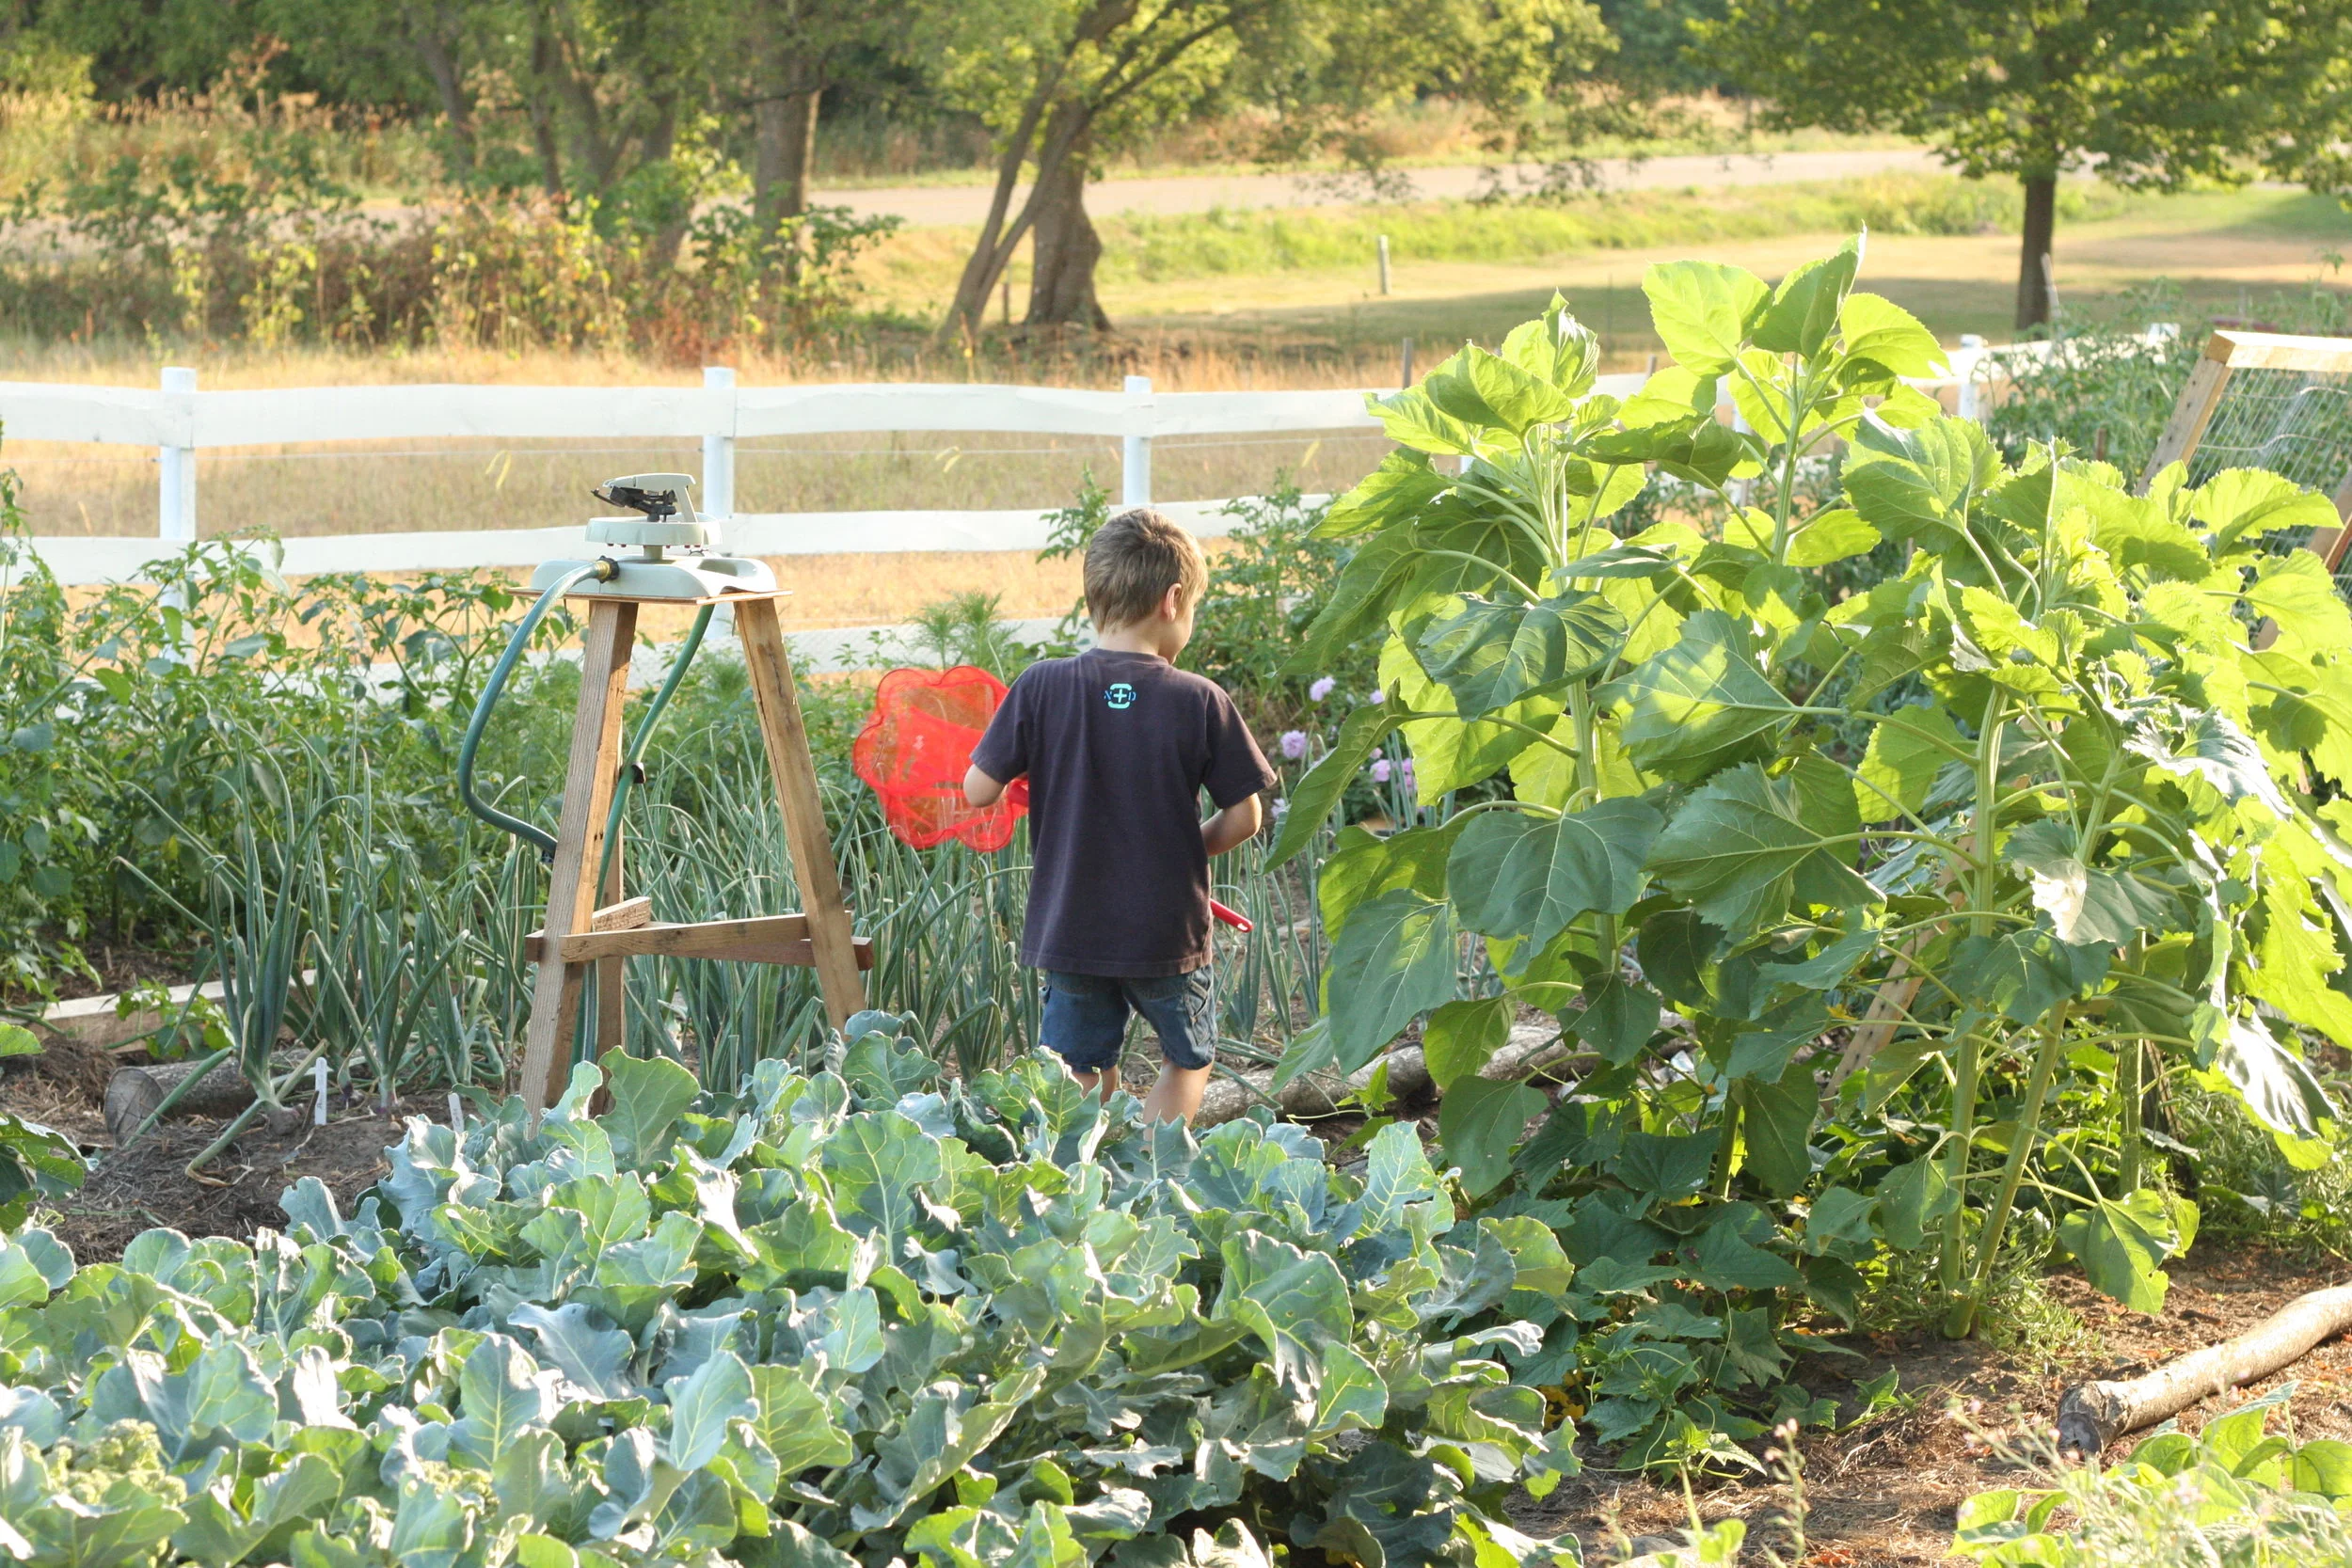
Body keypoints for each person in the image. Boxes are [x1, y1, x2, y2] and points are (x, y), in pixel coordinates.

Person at [964, 507, 1276, 1123]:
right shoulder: (1199, 700)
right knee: (1187, 1059)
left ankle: (1093, 1170)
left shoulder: (1041, 687)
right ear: (1174, 599)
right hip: (1166, 930)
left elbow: (978, 789)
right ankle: (1154, 1166)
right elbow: (1245, 817)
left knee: (1080, 1062)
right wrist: (1186, 848)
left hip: (1071, 927)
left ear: (1094, 597)